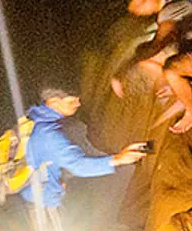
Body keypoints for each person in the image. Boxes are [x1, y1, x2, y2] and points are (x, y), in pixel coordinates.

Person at [112, 0, 192, 134]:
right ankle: (178, 91)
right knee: (151, 56)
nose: (139, 12)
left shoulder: (170, 10)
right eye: (135, 11)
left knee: (171, 70)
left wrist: (121, 72)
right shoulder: (174, 0)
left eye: (140, 6)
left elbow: (156, 45)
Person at [22, 87, 147, 216]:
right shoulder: (49, 134)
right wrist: (119, 159)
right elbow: (79, 166)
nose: (78, 104)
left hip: (30, 196)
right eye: (71, 102)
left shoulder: (33, 119)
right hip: (45, 206)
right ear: (54, 102)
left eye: (78, 100)